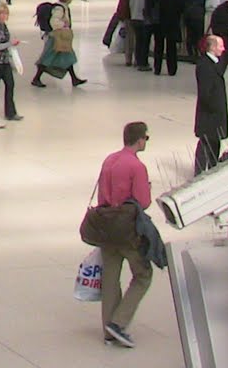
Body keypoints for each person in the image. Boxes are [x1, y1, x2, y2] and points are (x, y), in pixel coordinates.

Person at [88, 121, 154, 348]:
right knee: (143, 274)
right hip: (126, 229)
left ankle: (108, 330)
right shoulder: (137, 167)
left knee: (110, 277)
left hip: (106, 226)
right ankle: (118, 322)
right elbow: (143, 201)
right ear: (139, 140)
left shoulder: (109, 160)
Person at [31, 0, 87, 88]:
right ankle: (36, 78)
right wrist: (64, 25)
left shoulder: (59, 6)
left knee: (68, 57)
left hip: (57, 37)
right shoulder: (60, 9)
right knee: (47, 58)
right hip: (56, 37)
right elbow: (54, 22)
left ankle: (74, 79)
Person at [194, 34, 228, 174]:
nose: (223, 48)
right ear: (213, 47)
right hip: (209, 115)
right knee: (206, 144)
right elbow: (205, 93)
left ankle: (213, 169)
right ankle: (200, 172)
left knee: (214, 143)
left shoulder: (215, 63)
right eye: (220, 46)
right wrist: (214, 109)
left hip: (216, 114)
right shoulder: (204, 65)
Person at [0, 3, 23, 124]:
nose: (4, 16)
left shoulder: (4, 27)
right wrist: (10, 43)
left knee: (10, 85)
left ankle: (11, 113)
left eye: (6, 14)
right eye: (2, 13)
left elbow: (7, 43)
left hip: (5, 61)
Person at [149, 0, 185, 76]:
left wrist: (151, 17)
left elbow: (149, 4)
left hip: (159, 23)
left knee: (158, 46)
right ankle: (172, 69)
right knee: (171, 47)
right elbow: (183, 7)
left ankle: (157, 68)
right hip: (173, 23)